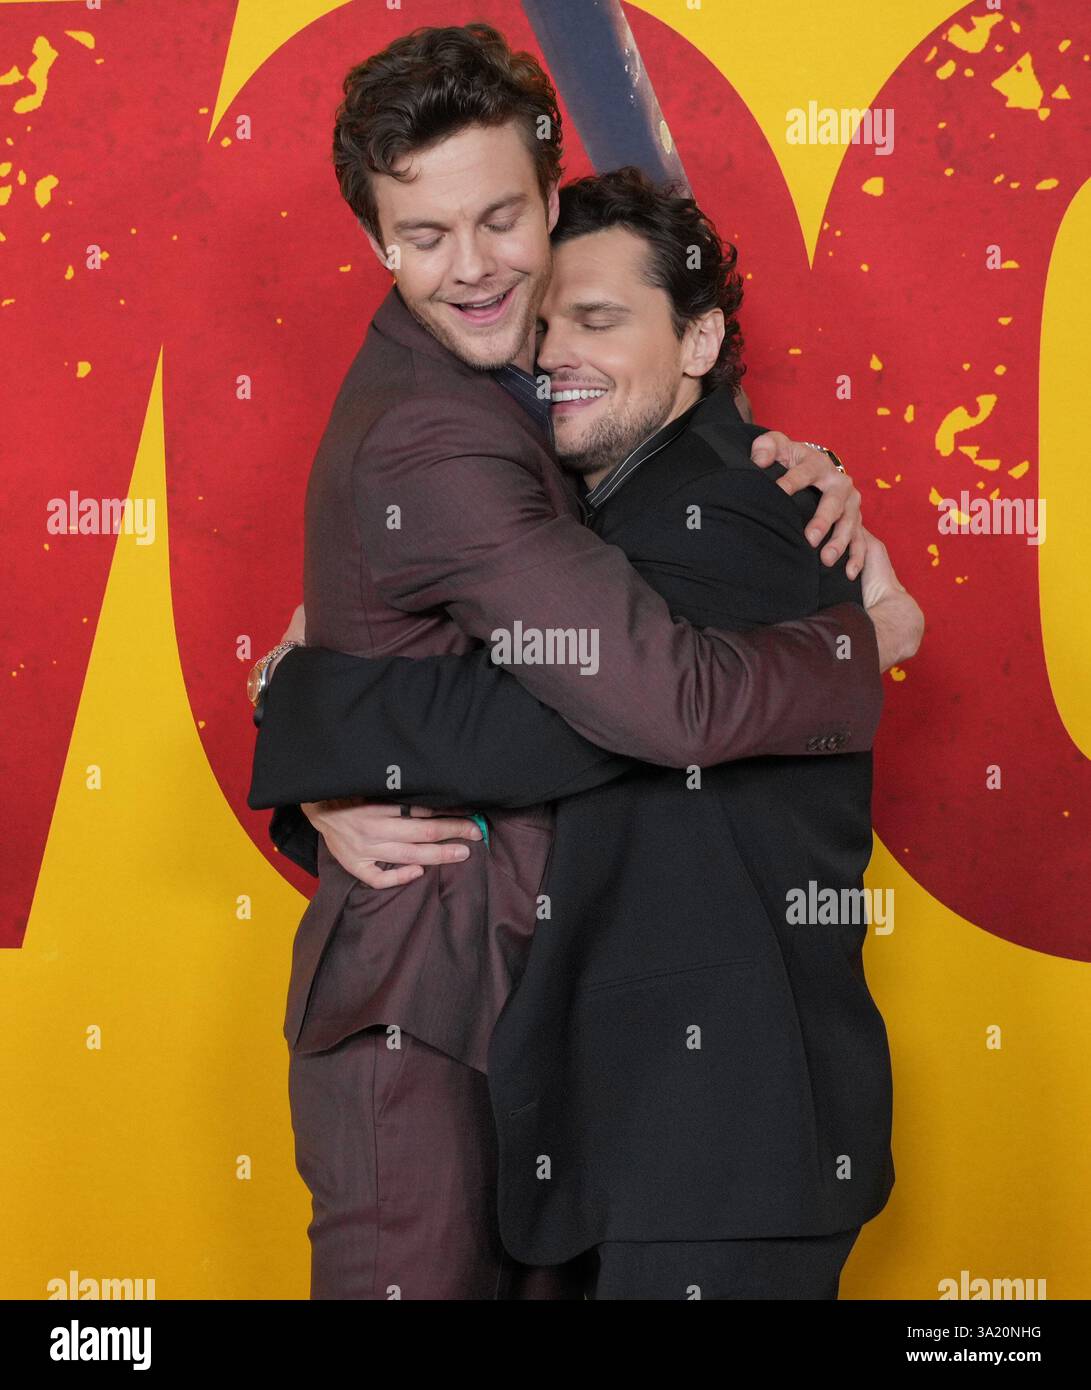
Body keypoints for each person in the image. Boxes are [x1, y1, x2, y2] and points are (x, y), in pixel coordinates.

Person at [247, 25, 923, 1301]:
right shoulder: (448, 425)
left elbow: (601, 550)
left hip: (620, 1070)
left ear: (548, 199)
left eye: (501, 220)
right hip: (434, 1002)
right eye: (425, 236)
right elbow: (654, 695)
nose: (476, 270)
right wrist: (860, 644)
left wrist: (312, 717)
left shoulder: (530, 389)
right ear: (376, 246)